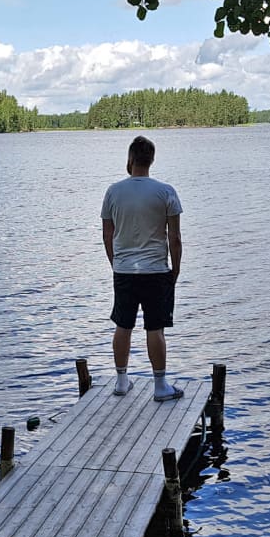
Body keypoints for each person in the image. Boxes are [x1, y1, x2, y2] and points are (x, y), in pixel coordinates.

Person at [100, 136, 184, 402]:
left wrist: (116, 263)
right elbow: (175, 238)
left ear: (130, 158)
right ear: (152, 159)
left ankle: (122, 381)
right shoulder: (166, 191)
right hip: (156, 270)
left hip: (125, 270)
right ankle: (160, 386)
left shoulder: (113, 192)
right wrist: (176, 269)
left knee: (123, 325)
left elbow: (107, 233)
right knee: (155, 328)